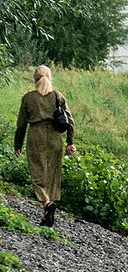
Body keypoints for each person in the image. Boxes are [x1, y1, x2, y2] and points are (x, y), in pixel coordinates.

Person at [14, 65, 75, 227]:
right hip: (55, 138)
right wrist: (71, 142)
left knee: (37, 175)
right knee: (53, 175)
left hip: (36, 137)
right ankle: (48, 212)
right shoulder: (58, 96)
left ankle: (47, 203)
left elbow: (21, 125)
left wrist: (17, 144)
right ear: (50, 77)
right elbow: (70, 121)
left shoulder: (28, 98)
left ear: (34, 80)